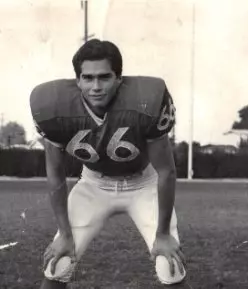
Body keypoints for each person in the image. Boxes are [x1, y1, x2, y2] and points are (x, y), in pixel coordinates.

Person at [30, 39, 186, 289]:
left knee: (169, 267)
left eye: (104, 77)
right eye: (88, 78)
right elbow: (55, 173)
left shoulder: (145, 102)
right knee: (57, 265)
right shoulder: (54, 108)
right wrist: (65, 234)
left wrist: (164, 234)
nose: (96, 87)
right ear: (77, 80)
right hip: (94, 184)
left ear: (118, 79)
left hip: (143, 183)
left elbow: (166, 171)